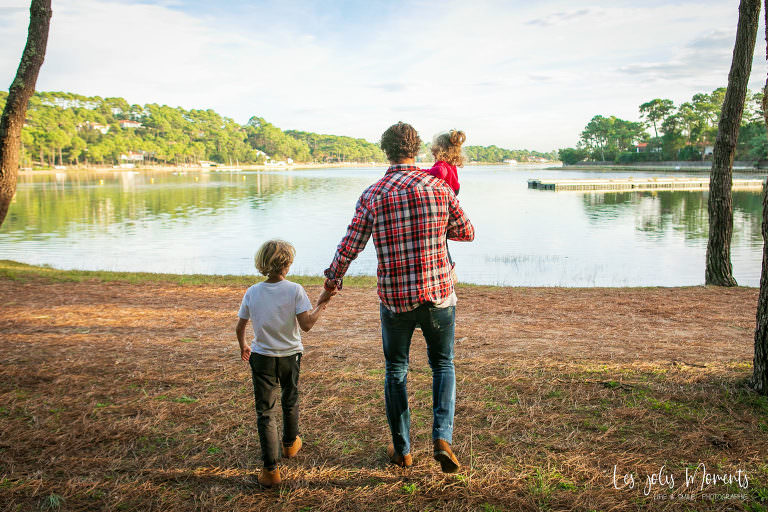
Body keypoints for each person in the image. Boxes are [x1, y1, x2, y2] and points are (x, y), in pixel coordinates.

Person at [323, 122, 475, 473]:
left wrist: (333, 278)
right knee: (443, 364)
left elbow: (351, 245)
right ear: (417, 148)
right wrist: (438, 228)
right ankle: (441, 437)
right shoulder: (438, 187)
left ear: (385, 151)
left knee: (396, 370)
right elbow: (466, 232)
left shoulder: (373, 194)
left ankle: (403, 450)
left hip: (395, 299)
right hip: (438, 294)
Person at [235, 239, 334, 487]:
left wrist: (244, 345)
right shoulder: (295, 290)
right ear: (287, 264)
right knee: (290, 399)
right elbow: (307, 325)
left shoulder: (253, 291)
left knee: (265, 412)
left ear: (263, 263)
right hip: (290, 356)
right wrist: (322, 302)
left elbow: (240, 325)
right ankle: (290, 444)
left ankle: (270, 471)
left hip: (262, 358)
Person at [423, 129, 467, 280]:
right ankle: (449, 269)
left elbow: (438, 173)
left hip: (443, 210)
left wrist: (420, 172)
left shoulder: (442, 166)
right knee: (443, 243)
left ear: (439, 150)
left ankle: (449, 269)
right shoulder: (452, 166)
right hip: (450, 208)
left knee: (441, 243)